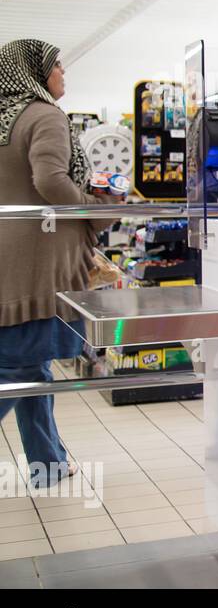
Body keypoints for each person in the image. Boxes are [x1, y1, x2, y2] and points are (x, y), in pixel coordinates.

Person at [0, 40, 105, 489]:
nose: (63, 71)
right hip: (37, 266)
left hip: (10, 260)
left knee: (32, 363)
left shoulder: (4, 116)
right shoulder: (43, 115)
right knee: (19, 365)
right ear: (36, 71)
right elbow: (49, 180)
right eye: (57, 64)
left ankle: (48, 462)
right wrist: (92, 209)